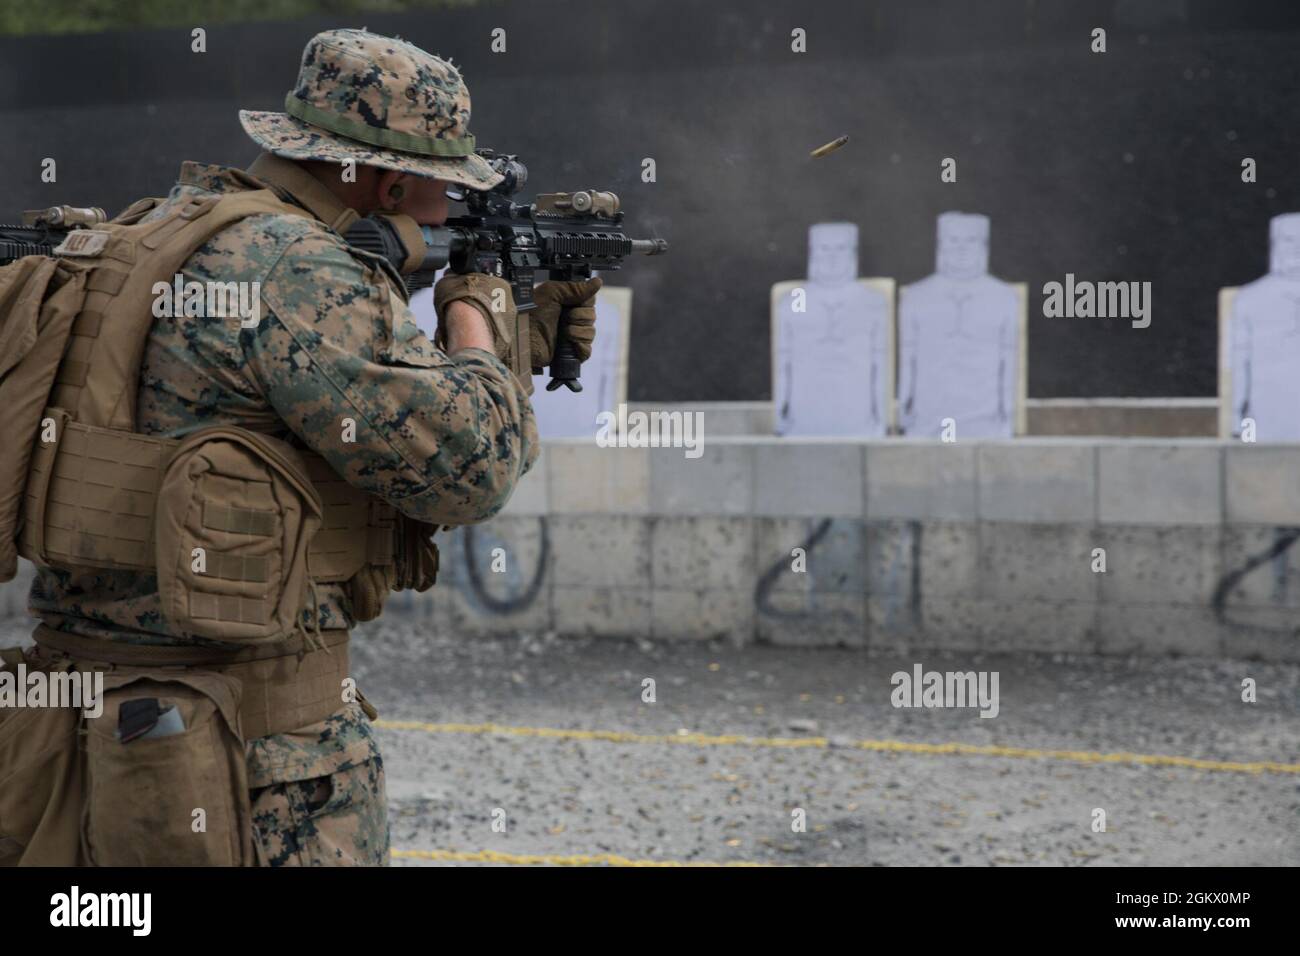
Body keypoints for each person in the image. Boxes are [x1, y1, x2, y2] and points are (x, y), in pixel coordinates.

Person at [10, 27, 599, 866]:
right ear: (389, 182)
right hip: (254, 762)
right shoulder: (299, 270)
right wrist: (479, 306)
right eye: (441, 192)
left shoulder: (150, 234)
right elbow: (476, 468)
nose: (445, 215)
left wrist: (494, 338)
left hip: (68, 739)